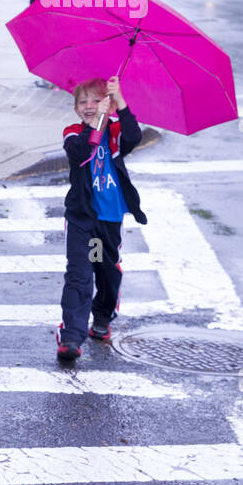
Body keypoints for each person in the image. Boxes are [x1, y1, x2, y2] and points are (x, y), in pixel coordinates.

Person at [57, 75, 146, 363]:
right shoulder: (73, 132)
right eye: (82, 101)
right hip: (83, 219)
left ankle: (103, 316)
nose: (88, 105)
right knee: (79, 274)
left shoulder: (116, 133)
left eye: (96, 100)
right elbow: (79, 152)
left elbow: (133, 137)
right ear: (75, 108)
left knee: (105, 271)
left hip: (107, 221)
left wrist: (120, 101)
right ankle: (71, 335)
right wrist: (96, 124)